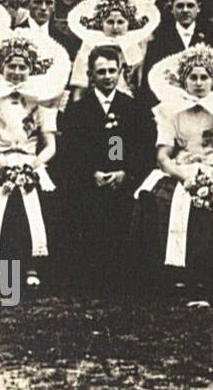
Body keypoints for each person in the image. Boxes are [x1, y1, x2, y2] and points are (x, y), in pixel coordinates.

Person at [131, 45, 213, 300]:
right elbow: (163, 156)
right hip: (180, 168)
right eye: (193, 77)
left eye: (204, 77)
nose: (199, 83)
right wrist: (184, 176)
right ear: (184, 81)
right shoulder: (169, 112)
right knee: (168, 197)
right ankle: (174, 273)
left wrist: (211, 178)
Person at [0, 31, 72, 290]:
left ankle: (31, 266)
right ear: (2, 68)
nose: (17, 71)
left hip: (31, 160)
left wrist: (33, 165)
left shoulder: (41, 101)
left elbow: (50, 146)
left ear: (30, 70)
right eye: (11, 66)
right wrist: (0, 163)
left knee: (33, 198)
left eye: (23, 67)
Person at [55, 45, 152, 290]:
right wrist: (92, 174)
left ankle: (121, 276)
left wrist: (125, 173)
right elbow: (70, 151)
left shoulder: (134, 108)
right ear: (90, 75)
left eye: (112, 70)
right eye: (101, 72)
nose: (107, 76)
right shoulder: (77, 110)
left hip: (124, 180)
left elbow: (143, 147)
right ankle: (88, 276)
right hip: (88, 182)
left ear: (120, 72)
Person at [66, 0, 161, 95]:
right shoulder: (90, 44)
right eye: (110, 22)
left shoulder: (137, 45)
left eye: (120, 22)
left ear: (129, 23)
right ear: (101, 23)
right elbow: (80, 87)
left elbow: (142, 83)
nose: (115, 27)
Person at [142, 0, 213, 79]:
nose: (185, 10)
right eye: (180, 6)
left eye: (190, 6)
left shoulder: (211, 38)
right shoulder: (159, 41)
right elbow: (150, 79)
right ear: (171, 9)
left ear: (198, 8)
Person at [15, 0, 82, 63]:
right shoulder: (14, 34)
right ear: (28, 4)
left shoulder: (64, 41)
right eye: (38, 2)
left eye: (49, 3)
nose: (43, 8)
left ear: (54, 6)